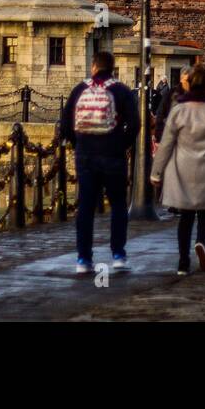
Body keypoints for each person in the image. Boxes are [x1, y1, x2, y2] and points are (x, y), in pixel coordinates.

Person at [152, 64, 205, 275]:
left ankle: (183, 262)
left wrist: (157, 172)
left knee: (186, 217)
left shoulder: (179, 111)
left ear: (189, 85)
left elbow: (167, 144)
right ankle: (201, 242)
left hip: (182, 170)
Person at [61, 50, 140, 275]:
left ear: (94, 66)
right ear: (112, 67)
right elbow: (134, 124)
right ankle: (118, 255)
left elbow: (66, 124)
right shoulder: (121, 90)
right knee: (117, 205)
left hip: (86, 154)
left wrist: (79, 144)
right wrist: (120, 144)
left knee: (85, 207)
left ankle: (83, 258)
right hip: (113, 154)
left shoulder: (80, 89)